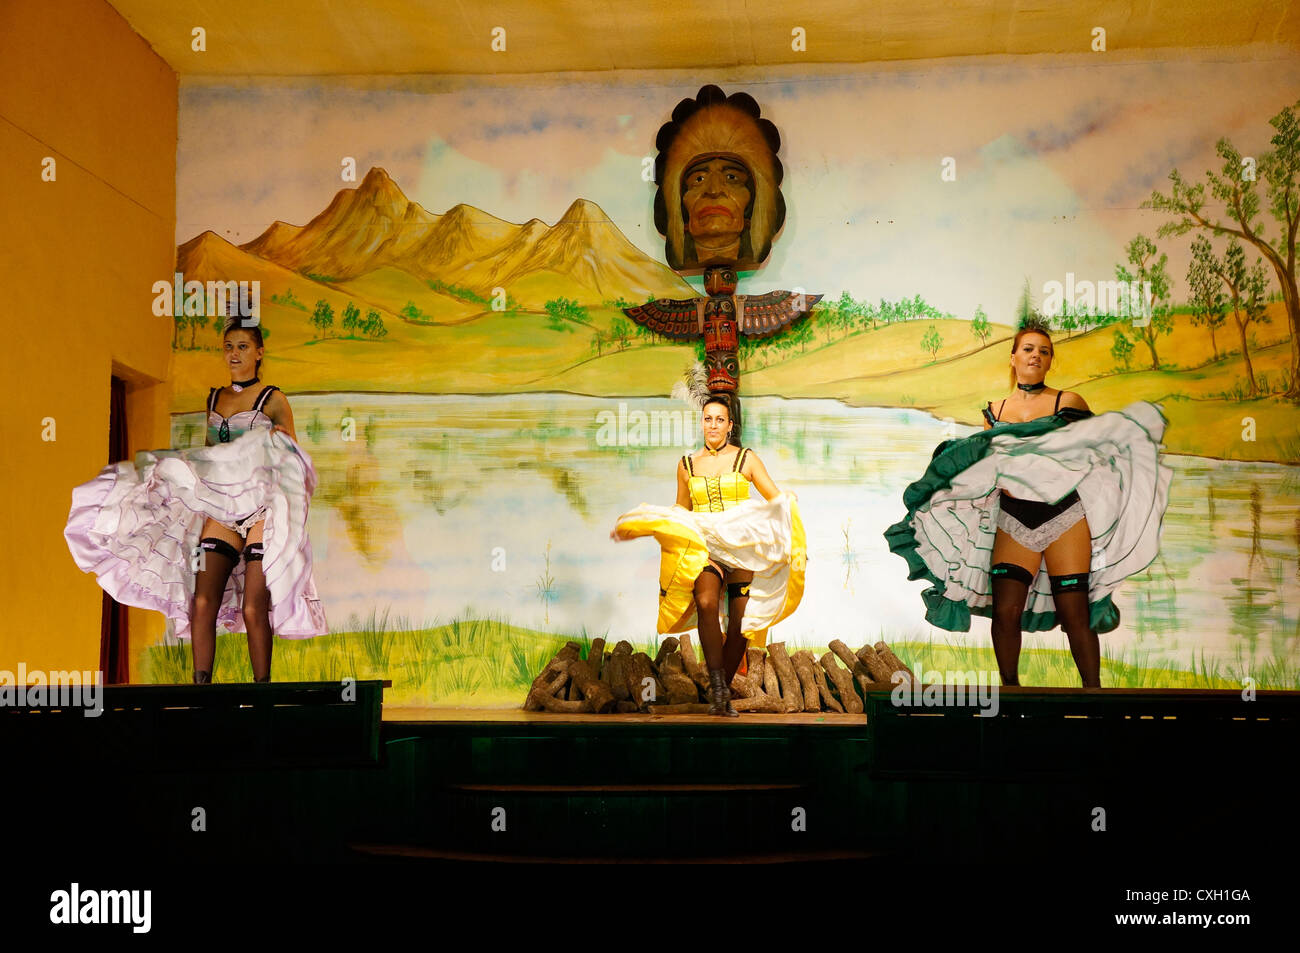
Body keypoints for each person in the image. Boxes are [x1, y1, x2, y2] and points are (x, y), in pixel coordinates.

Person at [883, 316, 1172, 688]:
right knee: (1006, 612)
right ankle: (1011, 695)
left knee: (1074, 614)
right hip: (1013, 517)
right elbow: (985, 464)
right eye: (1029, 349)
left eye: (1044, 351)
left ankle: (1095, 698)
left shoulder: (1068, 402)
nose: (1036, 356)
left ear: (1051, 361)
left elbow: (1092, 450)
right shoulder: (995, 411)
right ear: (1013, 357)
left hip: (1064, 515)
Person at [65, 312, 327, 683]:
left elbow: (294, 459)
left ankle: (261, 694)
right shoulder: (214, 398)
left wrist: (279, 443)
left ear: (259, 353)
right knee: (201, 601)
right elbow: (209, 457)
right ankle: (200, 691)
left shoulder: (273, 399)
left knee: (254, 607)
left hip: (262, 508)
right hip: (222, 508)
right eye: (228, 348)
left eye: (242, 347)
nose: (234, 355)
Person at [611, 394, 806, 715]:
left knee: (742, 626)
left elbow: (775, 499)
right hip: (705, 546)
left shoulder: (747, 459)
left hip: (743, 547)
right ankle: (718, 688)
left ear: (730, 425)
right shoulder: (687, 465)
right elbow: (680, 511)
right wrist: (643, 524)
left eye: (719, 419)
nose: (712, 424)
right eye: (707, 418)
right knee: (705, 602)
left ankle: (722, 695)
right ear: (702, 423)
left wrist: (789, 507)